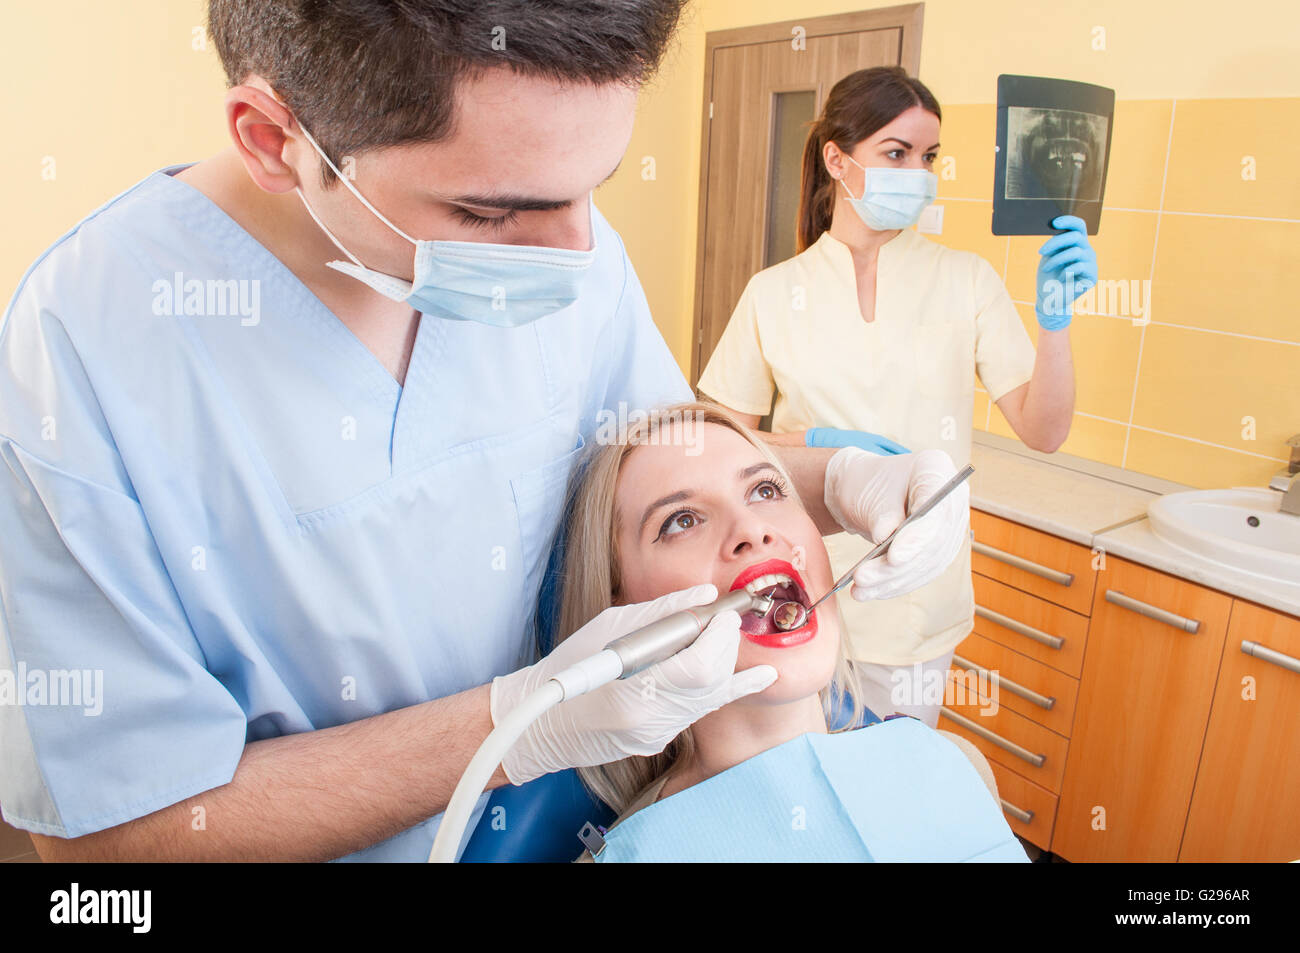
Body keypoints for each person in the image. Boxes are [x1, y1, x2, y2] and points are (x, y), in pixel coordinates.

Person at [0, 4, 969, 862]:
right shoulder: (87, 344)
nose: (580, 250)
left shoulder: (574, 253)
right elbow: (113, 824)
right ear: (272, 139)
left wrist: (835, 481)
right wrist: (516, 728)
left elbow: (661, 467)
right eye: (490, 209)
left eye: (598, 184)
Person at [698, 67, 1097, 727]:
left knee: (887, 795)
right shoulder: (773, 292)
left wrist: (1055, 325)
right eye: (896, 153)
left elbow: (1043, 429)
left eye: (929, 156)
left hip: (916, 601)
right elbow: (717, 449)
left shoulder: (965, 281)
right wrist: (817, 445)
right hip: (801, 591)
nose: (918, 172)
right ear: (837, 159)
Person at [550, 401, 1021, 862]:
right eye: (682, 520)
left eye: (766, 491)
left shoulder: (956, 763)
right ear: (622, 611)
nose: (752, 529)